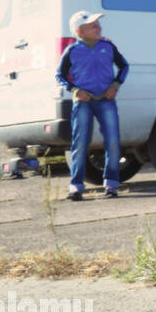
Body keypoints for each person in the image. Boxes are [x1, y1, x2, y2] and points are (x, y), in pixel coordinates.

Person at [55, 11, 128, 199]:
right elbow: (60, 75)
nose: (98, 27)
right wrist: (74, 90)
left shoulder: (108, 46)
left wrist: (115, 85)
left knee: (112, 141)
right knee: (80, 143)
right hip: (83, 103)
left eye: (97, 24)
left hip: (106, 101)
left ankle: (111, 185)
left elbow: (124, 66)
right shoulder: (72, 51)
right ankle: (76, 186)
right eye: (93, 25)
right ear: (80, 31)